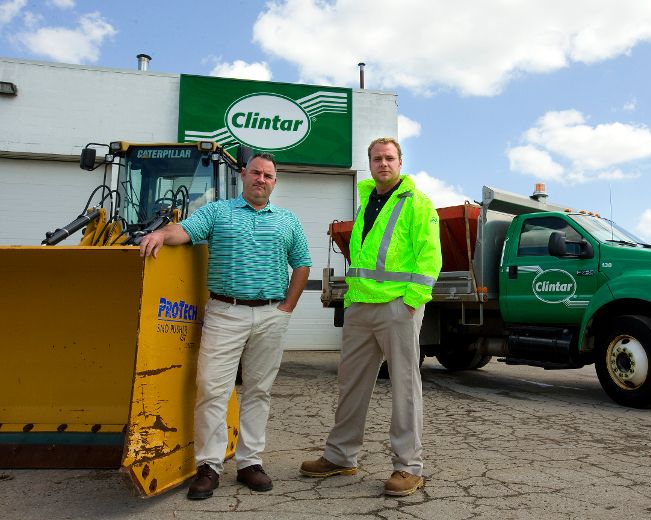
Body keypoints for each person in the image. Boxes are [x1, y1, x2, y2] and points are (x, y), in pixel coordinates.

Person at [139, 152, 311, 500]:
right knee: (212, 388)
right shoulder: (218, 212)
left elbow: (302, 264)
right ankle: (209, 466)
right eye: (256, 173)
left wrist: (286, 308)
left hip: (269, 316)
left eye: (268, 176)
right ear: (244, 175)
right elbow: (184, 231)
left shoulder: (287, 220)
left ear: (274, 182)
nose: (261, 180)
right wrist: (160, 234)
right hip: (224, 312)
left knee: (259, 390)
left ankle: (250, 463)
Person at [300, 137, 442, 497]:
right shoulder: (367, 201)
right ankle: (340, 456)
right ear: (370, 163)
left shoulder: (417, 204)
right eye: (377, 158)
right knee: (351, 384)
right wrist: (352, 301)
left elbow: (430, 258)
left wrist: (412, 300)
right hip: (360, 306)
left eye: (389, 158)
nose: (383, 163)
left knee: (405, 388)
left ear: (400, 162)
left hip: (398, 306)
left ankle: (408, 467)